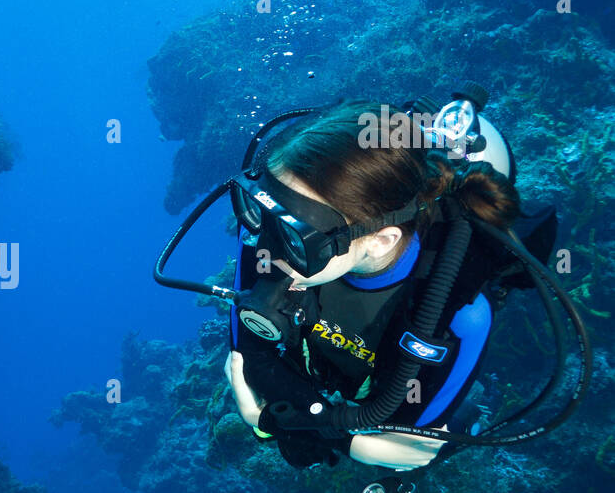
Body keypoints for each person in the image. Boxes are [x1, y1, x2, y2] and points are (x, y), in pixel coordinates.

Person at [221, 99, 521, 472]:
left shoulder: (462, 315)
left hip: (390, 386)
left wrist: (271, 419)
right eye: (259, 210)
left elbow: (415, 447)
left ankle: (478, 405)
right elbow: (248, 356)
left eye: (295, 235)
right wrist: (317, 423)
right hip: (336, 394)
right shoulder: (269, 233)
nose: (262, 248)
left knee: (455, 425)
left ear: (381, 240)